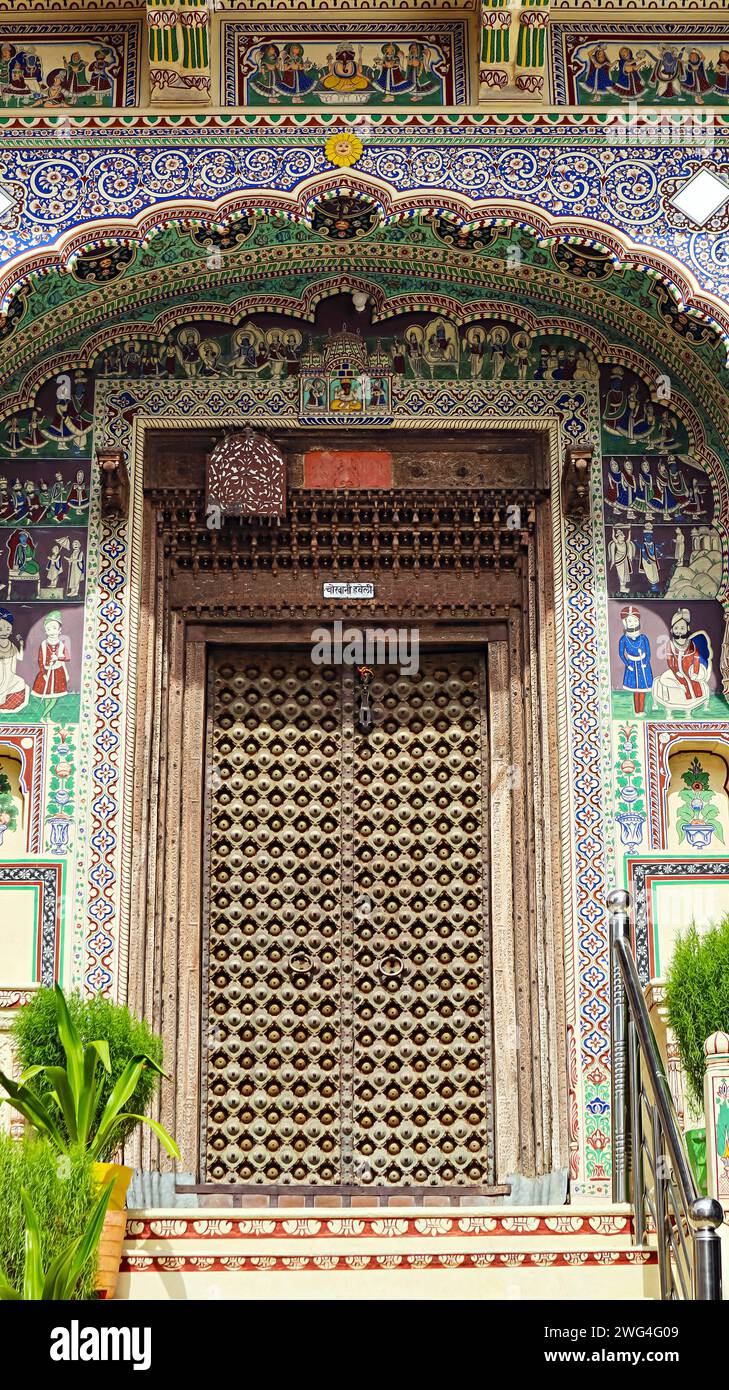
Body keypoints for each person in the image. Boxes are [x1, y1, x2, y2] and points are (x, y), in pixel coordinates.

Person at [652, 608, 712, 716]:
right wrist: (676, 672)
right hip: (676, 672)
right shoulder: (670, 645)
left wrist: (695, 672)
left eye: (682, 628)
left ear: (687, 629)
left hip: (690, 671)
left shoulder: (691, 644)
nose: (679, 631)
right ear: (672, 630)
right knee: (663, 679)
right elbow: (670, 662)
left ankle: (694, 699)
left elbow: (696, 659)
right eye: (676, 628)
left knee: (696, 681)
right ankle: (676, 695)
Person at [618, 606, 653, 714]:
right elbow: (621, 654)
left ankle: (641, 711)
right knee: (635, 690)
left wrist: (645, 663)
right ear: (625, 623)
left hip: (643, 665)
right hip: (632, 666)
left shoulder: (643, 638)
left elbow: (648, 653)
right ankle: (637, 711)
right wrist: (627, 664)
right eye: (630, 621)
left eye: (634, 620)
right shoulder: (624, 639)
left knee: (642, 690)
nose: (633, 623)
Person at [0, 608, 27, 712]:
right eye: (0, 629)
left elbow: (20, 658)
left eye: (8, 629)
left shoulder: (11, 645)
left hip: (9, 675)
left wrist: (21, 645)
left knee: (20, 682)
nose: (4, 632)